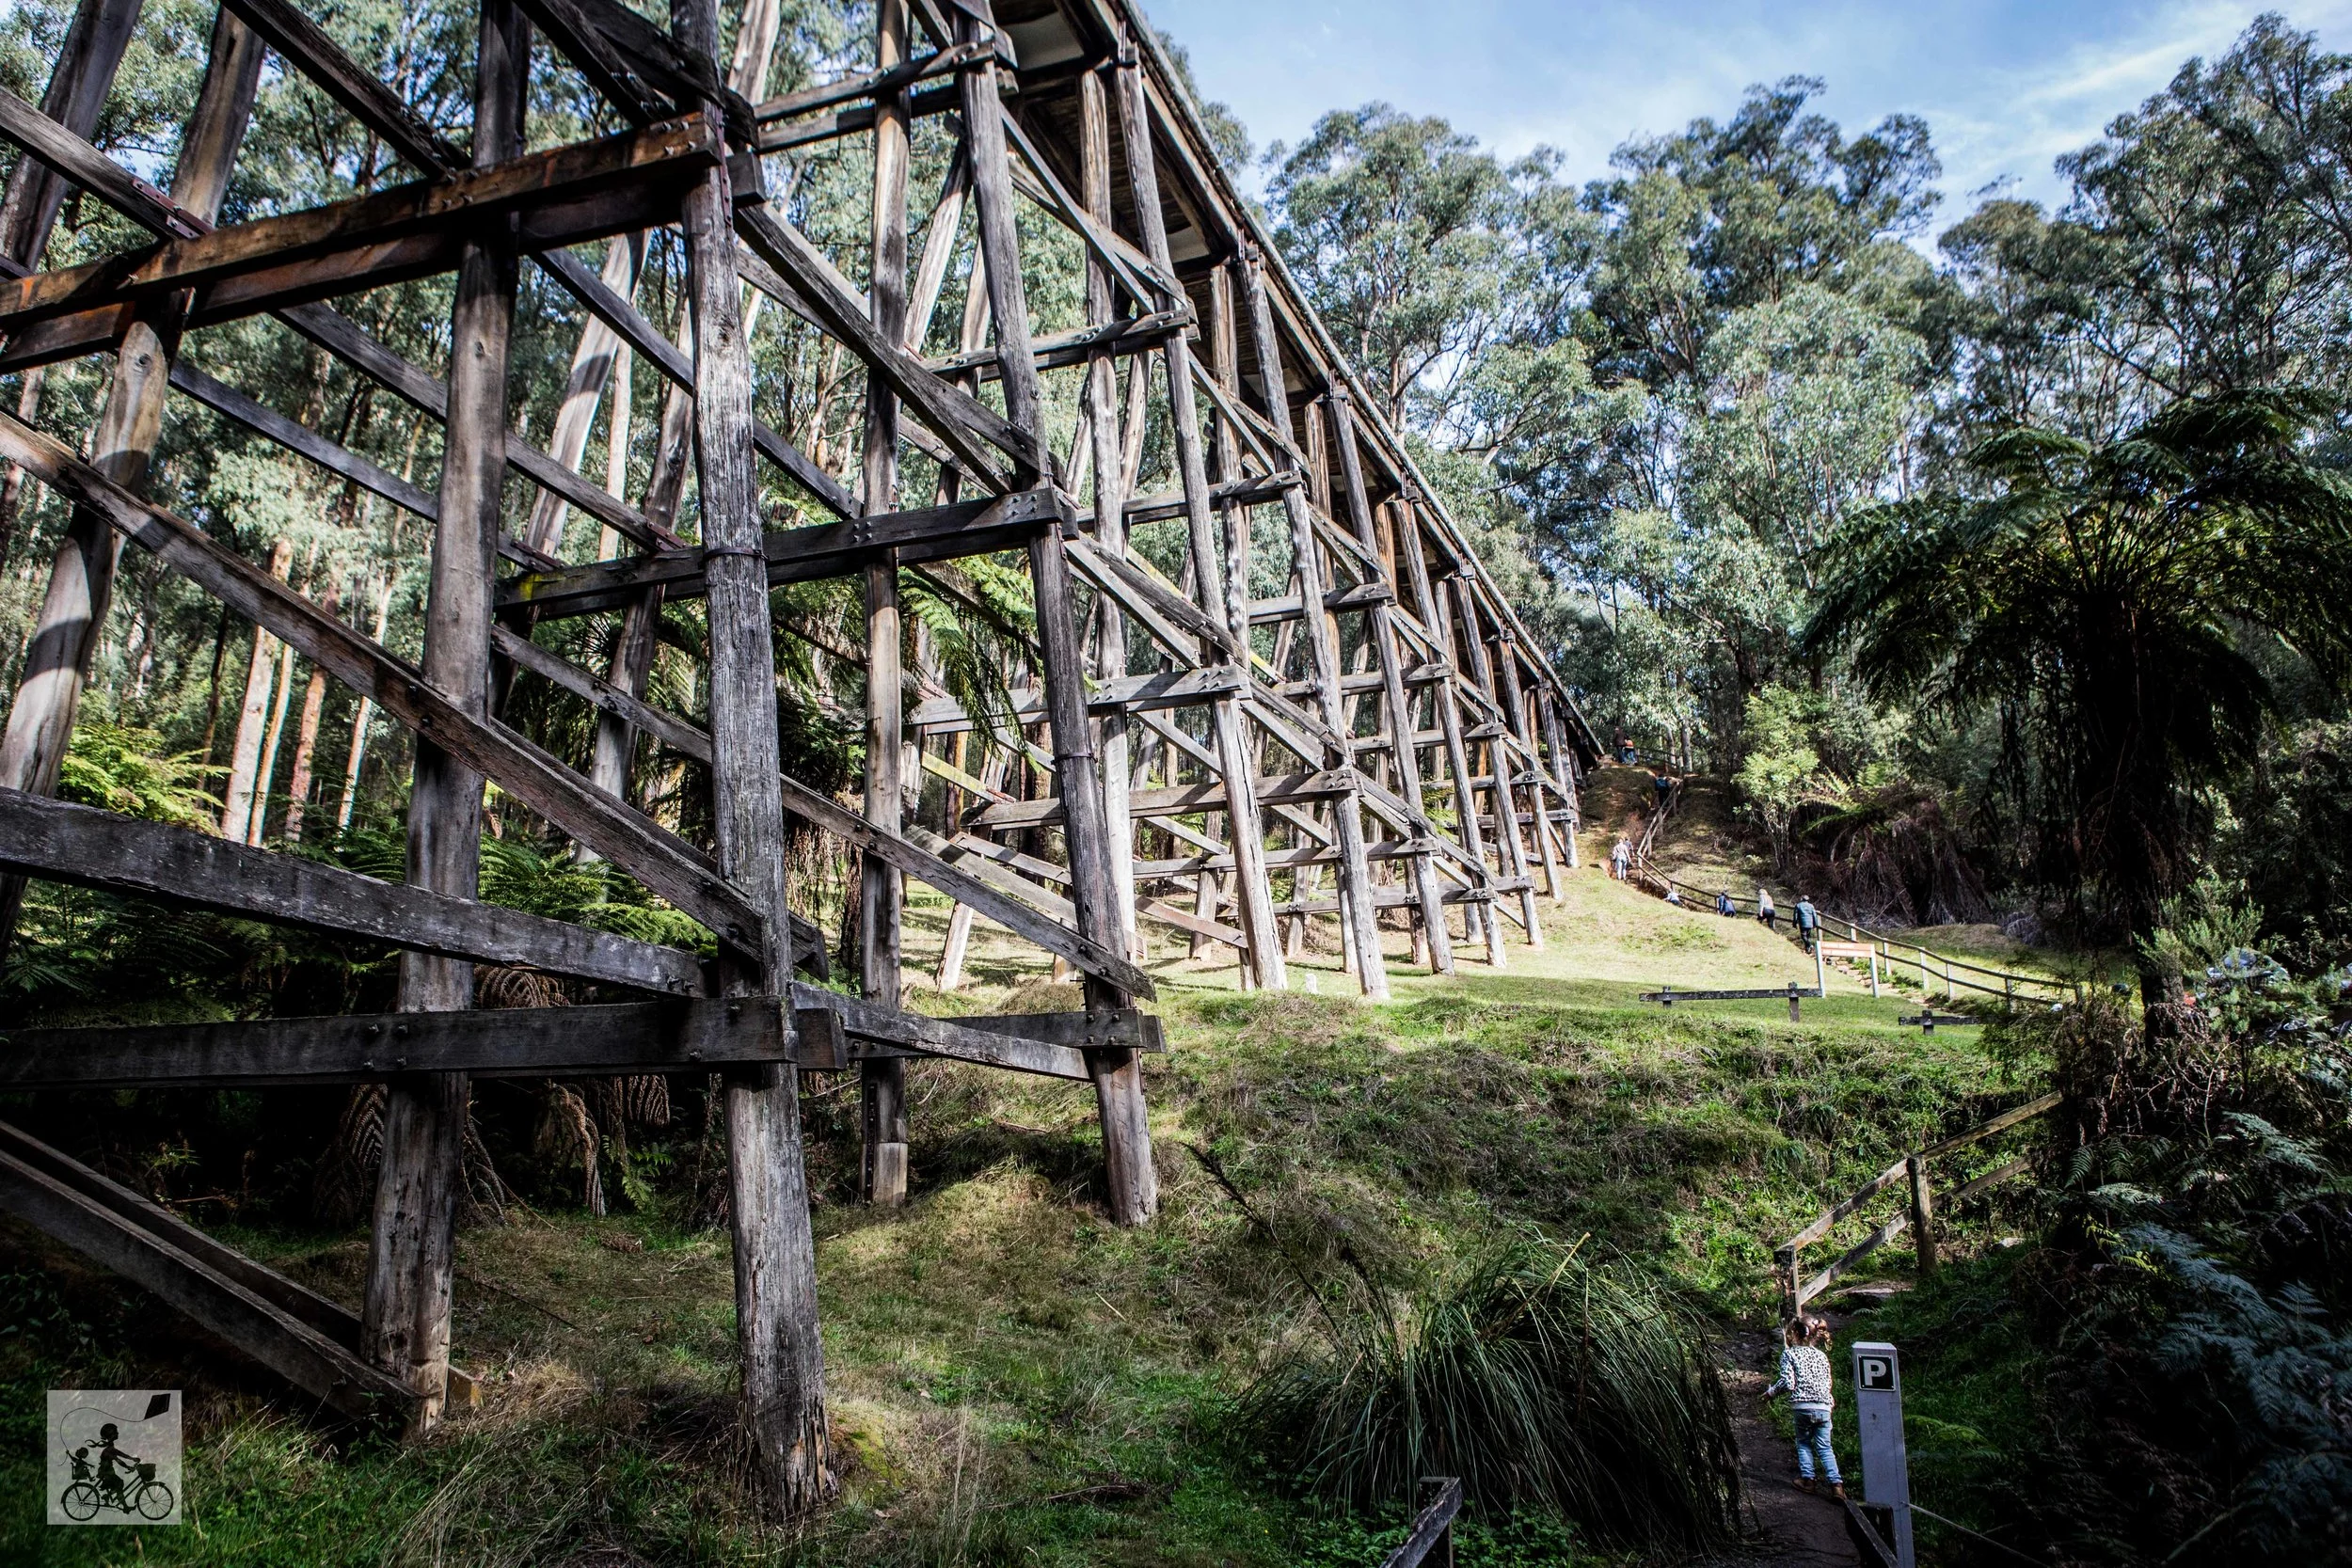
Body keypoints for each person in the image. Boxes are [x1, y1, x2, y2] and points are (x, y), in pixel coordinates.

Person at [1763, 1318, 1844, 1498]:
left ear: (1795, 1333)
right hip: (1824, 1406)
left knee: (1804, 1443)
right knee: (1825, 1447)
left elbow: (1788, 1382)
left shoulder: (1790, 1354)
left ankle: (1808, 1480)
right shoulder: (1821, 1356)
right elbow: (1828, 1382)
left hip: (1803, 1406)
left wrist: (1771, 1393)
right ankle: (1837, 1486)